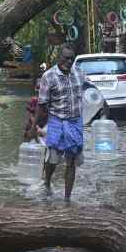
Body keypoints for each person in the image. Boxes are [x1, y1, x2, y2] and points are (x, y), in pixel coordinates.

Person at [36, 44, 85, 199]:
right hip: (57, 122)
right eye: (66, 58)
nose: (69, 62)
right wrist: (35, 127)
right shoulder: (48, 76)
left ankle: (67, 198)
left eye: (71, 58)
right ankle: (47, 181)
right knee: (53, 160)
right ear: (59, 57)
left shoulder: (78, 73)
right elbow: (42, 104)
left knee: (71, 162)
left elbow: (88, 92)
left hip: (75, 123)